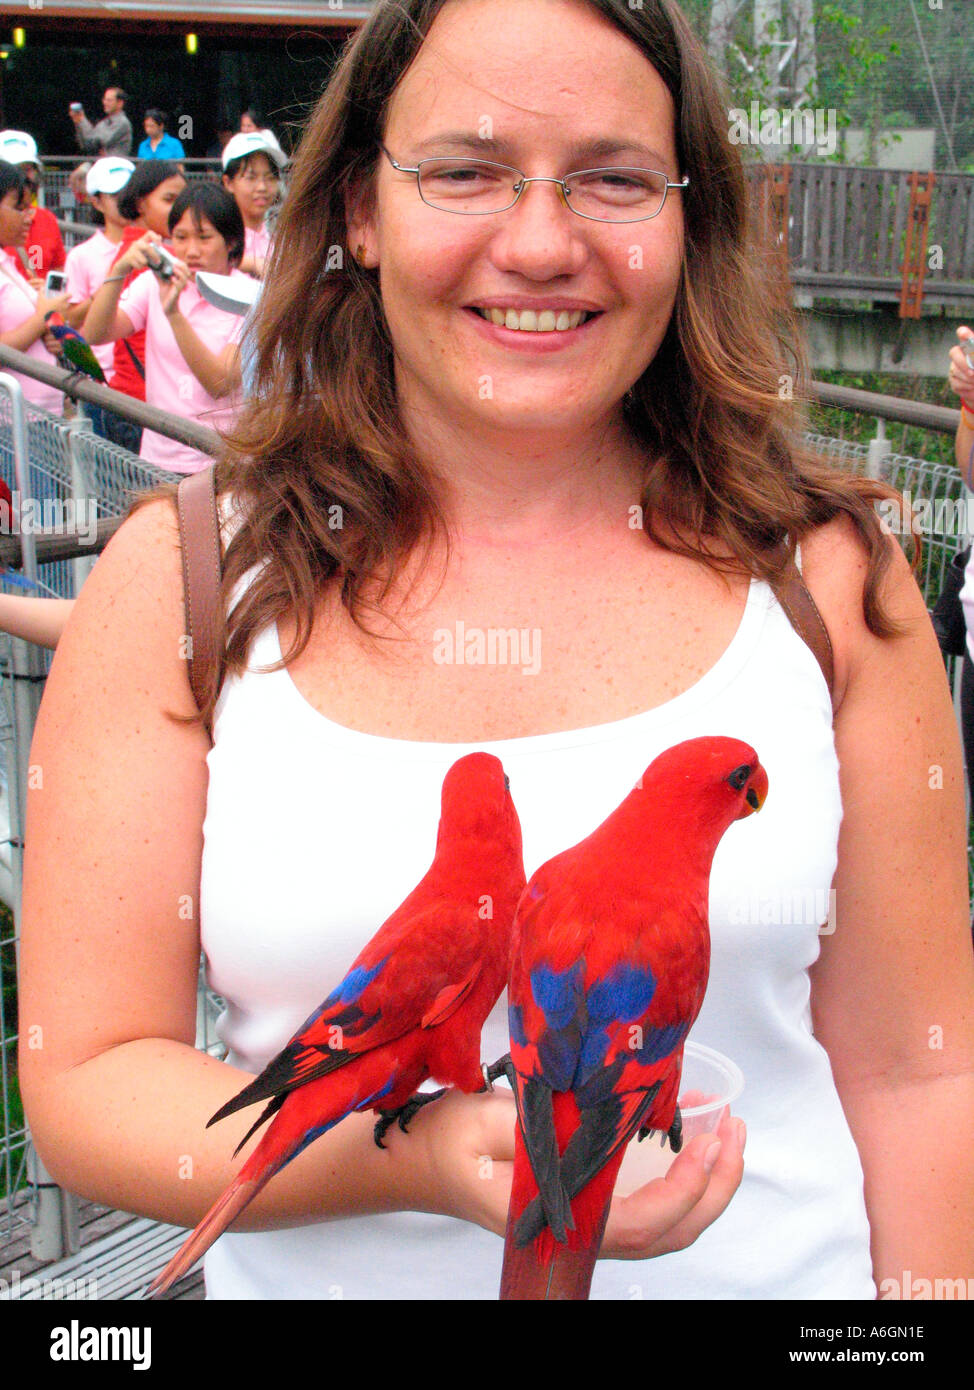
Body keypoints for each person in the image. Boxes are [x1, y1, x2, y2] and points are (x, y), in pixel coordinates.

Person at [19, 0, 973, 1303]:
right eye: (465, 170)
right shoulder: (177, 585)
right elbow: (83, 1078)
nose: (538, 241)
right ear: (359, 206)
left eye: (612, 178)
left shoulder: (830, 579)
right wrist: (430, 1156)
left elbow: (920, 1071)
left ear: (688, 218)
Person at [85, 183, 247, 473]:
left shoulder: (248, 295)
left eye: (205, 237)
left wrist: (173, 315)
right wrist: (119, 270)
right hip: (159, 459)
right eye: (181, 238)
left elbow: (219, 383)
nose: (191, 250)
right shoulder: (153, 283)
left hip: (222, 463)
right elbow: (96, 332)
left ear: (231, 241)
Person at [81, 159, 186, 454]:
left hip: (129, 399)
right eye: (169, 200)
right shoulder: (149, 258)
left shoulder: (134, 249)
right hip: (144, 406)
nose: (180, 210)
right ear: (140, 204)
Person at [63, 157, 136, 439]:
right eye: (116, 195)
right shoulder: (82, 256)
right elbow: (68, 318)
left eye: (129, 193)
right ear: (96, 202)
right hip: (101, 384)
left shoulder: (155, 245)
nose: (124, 201)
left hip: (144, 383)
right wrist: (106, 292)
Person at [0, 160, 68, 417]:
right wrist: (43, 318)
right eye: (19, 208)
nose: (29, 218)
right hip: (12, 427)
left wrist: (48, 333)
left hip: (36, 419)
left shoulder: (6, 260)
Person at [0, 131, 66, 281]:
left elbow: (59, 271)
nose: (21, 177)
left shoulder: (47, 220)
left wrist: (45, 291)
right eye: (13, 168)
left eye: (27, 169)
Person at [221, 131, 286, 278]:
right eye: (251, 178)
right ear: (228, 183)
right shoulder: (220, 235)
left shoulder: (279, 238)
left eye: (270, 178)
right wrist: (252, 264)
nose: (262, 187)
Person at [70, 86, 133, 157]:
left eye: (109, 100)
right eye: (104, 99)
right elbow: (85, 145)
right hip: (98, 162)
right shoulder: (103, 123)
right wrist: (78, 122)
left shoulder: (122, 122)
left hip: (114, 165)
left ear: (120, 103)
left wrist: (82, 120)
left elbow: (95, 142)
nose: (105, 103)